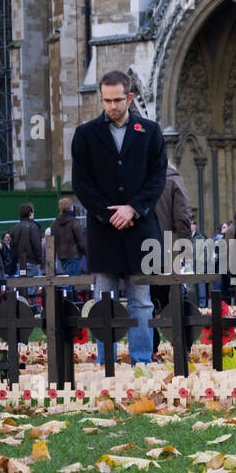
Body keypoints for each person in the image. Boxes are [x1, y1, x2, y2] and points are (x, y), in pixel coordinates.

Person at [70, 69, 166, 365]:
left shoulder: (150, 132)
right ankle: (105, 361)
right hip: (105, 230)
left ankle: (141, 361)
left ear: (130, 97)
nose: (112, 106)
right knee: (104, 301)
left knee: (141, 300)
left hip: (140, 230)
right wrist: (106, 212)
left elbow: (157, 178)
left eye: (118, 100)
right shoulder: (85, 135)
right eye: (106, 100)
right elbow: (81, 184)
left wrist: (133, 208)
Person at [152, 159, 193, 348]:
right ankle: (182, 343)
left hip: (146, 248)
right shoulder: (174, 180)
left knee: (148, 298)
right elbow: (182, 215)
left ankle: (149, 348)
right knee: (176, 294)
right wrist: (186, 245)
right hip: (171, 246)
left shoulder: (144, 181)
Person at [53, 197, 87, 280]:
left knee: (66, 280)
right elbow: (81, 241)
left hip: (61, 256)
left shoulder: (54, 223)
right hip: (74, 256)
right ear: (71, 207)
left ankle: (67, 292)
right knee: (71, 282)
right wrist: (87, 253)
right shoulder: (74, 222)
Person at [9, 203, 44, 280]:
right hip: (32, 262)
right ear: (30, 213)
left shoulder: (15, 228)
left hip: (20, 263)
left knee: (23, 287)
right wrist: (39, 261)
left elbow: (12, 246)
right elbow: (36, 245)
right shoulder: (34, 227)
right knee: (32, 287)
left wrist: (16, 262)